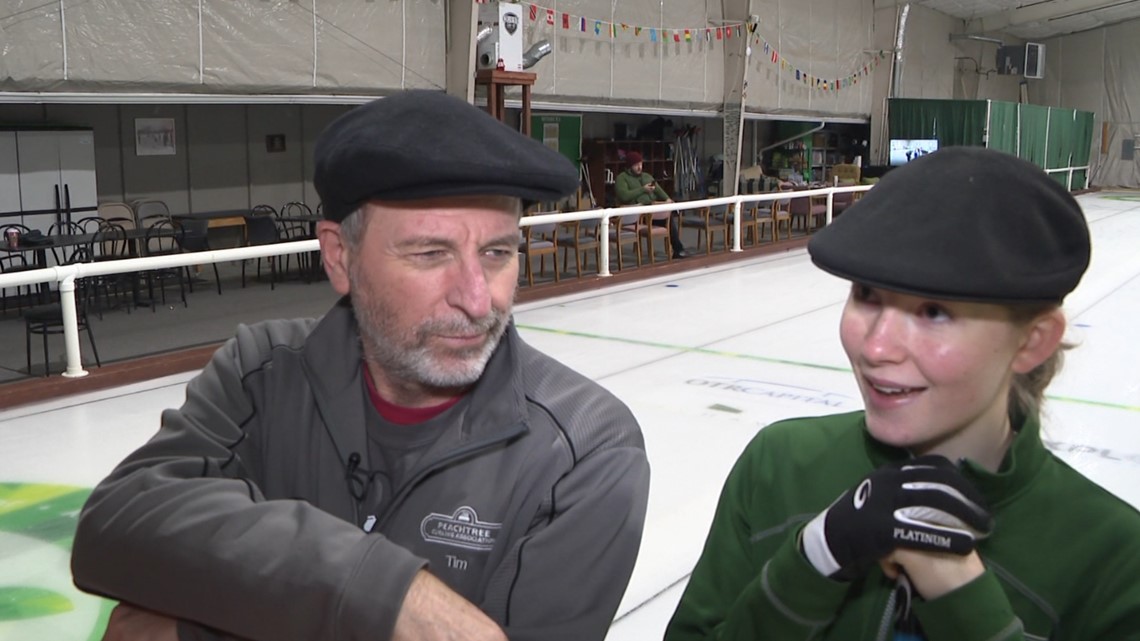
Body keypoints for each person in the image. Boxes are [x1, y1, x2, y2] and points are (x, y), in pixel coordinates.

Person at [71, 90, 651, 641]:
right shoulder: (263, 374)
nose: (478, 299)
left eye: (497, 253)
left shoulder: (584, 451)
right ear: (339, 257)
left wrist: (206, 628)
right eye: (431, 254)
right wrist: (387, 594)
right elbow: (117, 524)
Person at [664, 147, 1140, 640]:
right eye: (866, 295)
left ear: (1032, 341)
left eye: (934, 312)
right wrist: (810, 562)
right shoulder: (778, 467)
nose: (876, 346)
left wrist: (964, 601)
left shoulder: (1115, 560)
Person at [614, 150, 688, 258]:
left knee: (668, 218)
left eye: (640, 164)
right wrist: (642, 190)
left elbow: (658, 190)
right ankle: (677, 249)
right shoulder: (622, 178)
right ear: (629, 166)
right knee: (662, 218)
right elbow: (624, 196)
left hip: (651, 211)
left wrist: (667, 199)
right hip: (636, 213)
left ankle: (678, 249)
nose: (639, 167)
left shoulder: (646, 176)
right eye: (636, 165)